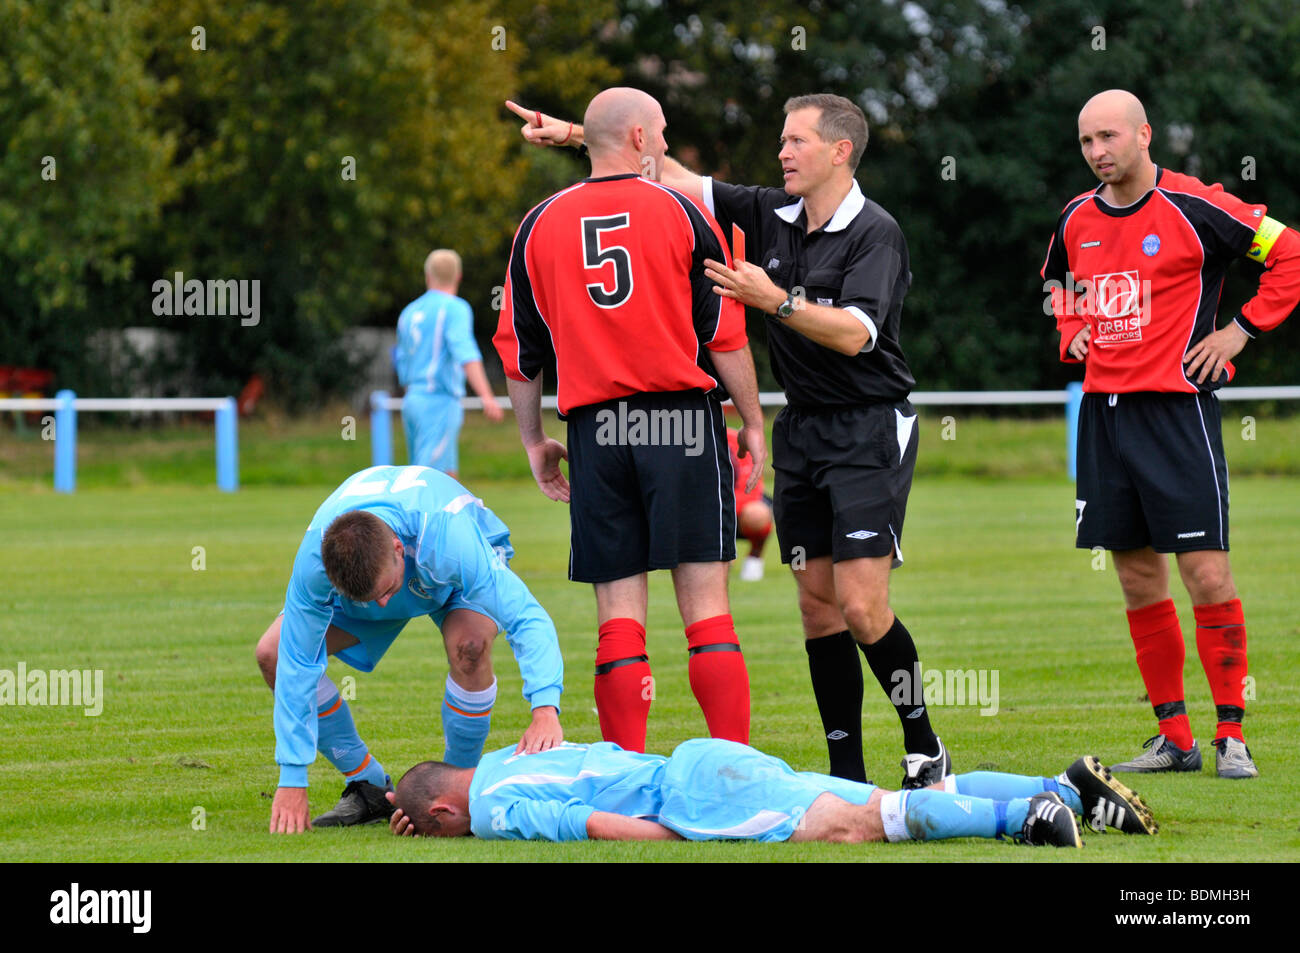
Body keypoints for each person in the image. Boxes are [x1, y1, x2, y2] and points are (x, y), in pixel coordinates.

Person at [506, 93, 949, 789]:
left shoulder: (877, 231)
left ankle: (923, 743)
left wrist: (775, 300)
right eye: (782, 140)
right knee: (816, 604)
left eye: (797, 141)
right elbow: (666, 174)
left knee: (862, 605)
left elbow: (856, 335)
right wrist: (579, 134)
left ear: (840, 151)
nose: (782, 152)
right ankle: (847, 773)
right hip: (796, 427)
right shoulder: (769, 211)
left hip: (867, 425)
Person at [495, 89, 768, 754]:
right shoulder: (680, 210)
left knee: (618, 617)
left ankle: (624, 773)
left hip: (596, 431)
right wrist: (753, 420)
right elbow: (724, 331)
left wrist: (533, 440)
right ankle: (734, 767)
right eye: (663, 132)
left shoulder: (537, 223)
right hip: (680, 422)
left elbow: (518, 350)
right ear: (640, 138)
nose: (667, 144)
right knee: (706, 610)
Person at [1041, 89, 1300, 778]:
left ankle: (1230, 734)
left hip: (1177, 415)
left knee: (1207, 573)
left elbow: (1291, 255)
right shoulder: (1075, 217)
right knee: (1135, 577)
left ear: (1144, 134)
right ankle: (1174, 738)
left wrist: (1239, 330)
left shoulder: (1198, 206)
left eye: (1108, 136)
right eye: (1086, 140)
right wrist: (1071, 328)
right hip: (1104, 417)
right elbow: (1057, 285)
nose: (1097, 151)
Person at [255, 464, 565, 833]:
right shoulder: (315, 561)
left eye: (386, 591)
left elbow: (526, 617)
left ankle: (458, 792)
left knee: (470, 645)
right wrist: (292, 776)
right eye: (372, 599)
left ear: (398, 549)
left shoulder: (450, 539)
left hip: (449, 574)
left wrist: (545, 707)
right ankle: (367, 785)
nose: (384, 605)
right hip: (382, 569)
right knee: (273, 653)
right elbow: (296, 660)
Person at [387, 740, 1156, 845]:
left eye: (441, 827)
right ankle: (1064, 786)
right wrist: (418, 806)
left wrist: (683, 837)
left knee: (857, 824)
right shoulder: (501, 758)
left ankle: (1023, 818)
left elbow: (587, 823)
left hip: (693, 795)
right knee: (882, 796)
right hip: (704, 760)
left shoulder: (492, 811)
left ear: (445, 812)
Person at [395, 249, 504, 480]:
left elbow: (402, 361)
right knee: (428, 479)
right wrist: (486, 396)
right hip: (439, 401)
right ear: (458, 276)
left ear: (428, 276)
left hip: (412, 400)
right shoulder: (455, 308)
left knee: (446, 473)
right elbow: (465, 352)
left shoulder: (408, 312)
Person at [728, 425, 773, 582]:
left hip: (736, 509)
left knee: (757, 514)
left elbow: (750, 488)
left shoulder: (735, 439)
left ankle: (754, 557)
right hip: (706, 513)